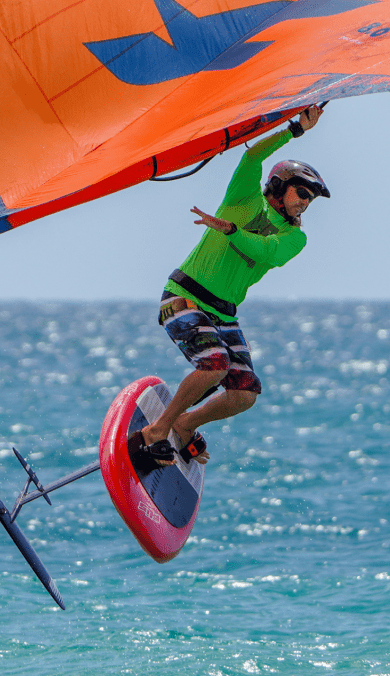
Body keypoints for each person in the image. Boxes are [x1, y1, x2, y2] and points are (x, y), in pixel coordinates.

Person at [133, 104, 329, 467]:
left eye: (310, 199)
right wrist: (295, 130)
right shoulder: (243, 198)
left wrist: (231, 231)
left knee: (245, 393)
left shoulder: (294, 238)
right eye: (302, 193)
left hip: (224, 315)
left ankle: (186, 423)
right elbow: (253, 156)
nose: (306, 203)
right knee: (215, 366)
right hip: (184, 297)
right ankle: (156, 431)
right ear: (280, 184)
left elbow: (265, 251)